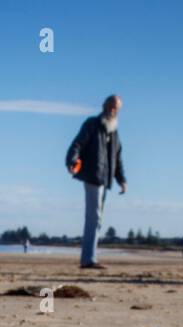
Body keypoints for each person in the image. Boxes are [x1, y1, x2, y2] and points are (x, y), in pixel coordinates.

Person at [66, 94, 126, 269]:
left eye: (116, 108)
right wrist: (71, 161)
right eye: (110, 106)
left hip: (105, 179)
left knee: (97, 219)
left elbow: (117, 158)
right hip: (93, 175)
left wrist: (121, 180)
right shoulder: (92, 124)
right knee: (94, 216)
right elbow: (77, 144)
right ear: (104, 106)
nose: (112, 110)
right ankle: (88, 259)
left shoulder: (114, 133)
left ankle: (90, 257)